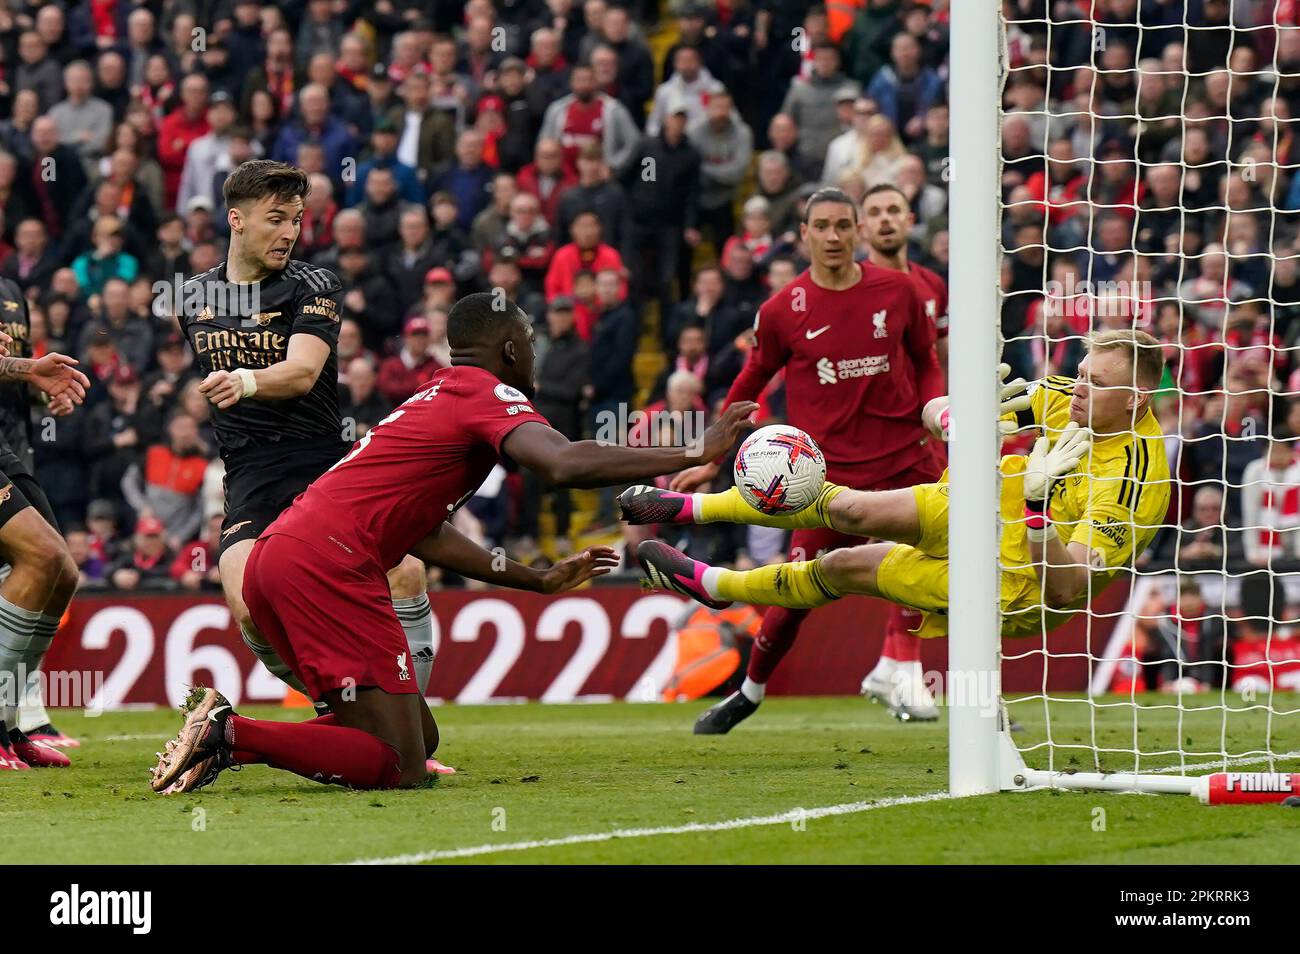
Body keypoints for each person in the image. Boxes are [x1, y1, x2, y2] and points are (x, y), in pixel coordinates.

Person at [149, 292, 757, 794]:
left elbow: (426, 533)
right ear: (512, 348)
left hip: (280, 560)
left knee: (419, 737)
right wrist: (692, 451)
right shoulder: (485, 393)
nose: (534, 360)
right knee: (400, 765)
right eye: (532, 346)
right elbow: (564, 463)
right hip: (324, 567)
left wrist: (535, 578)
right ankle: (231, 735)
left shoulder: (432, 397)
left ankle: (242, 738)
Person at [626, 332, 1173, 698]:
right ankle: (691, 507)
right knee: (850, 506)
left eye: (1097, 384)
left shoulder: (1135, 481)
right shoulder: (1062, 397)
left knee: (842, 567)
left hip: (1021, 580)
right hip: (991, 500)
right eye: (1080, 373)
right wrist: (955, 414)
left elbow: (1067, 587)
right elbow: (933, 412)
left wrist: (1035, 510)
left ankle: (723, 585)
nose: (1078, 388)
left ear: (1137, 401)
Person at [659, 188, 945, 734]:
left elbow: (926, 362)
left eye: (843, 225)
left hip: (906, 463)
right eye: (823, 226)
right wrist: (713, 455)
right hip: (825, 478)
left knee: (928, 569)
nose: (834, 236)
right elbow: (749, 382)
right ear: (805, 234)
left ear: (857, 231)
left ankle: (903, 669)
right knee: (792, 594)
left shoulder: (899, 291)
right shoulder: (781, 310)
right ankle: (749, 691)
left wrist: (935, 405)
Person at [176, 160, 435, 727]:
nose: (290, 231)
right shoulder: (192, 296)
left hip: (323, 466)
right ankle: (340, 711)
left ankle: (410, 721)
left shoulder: (315, 284)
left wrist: (243, 379)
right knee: (248, 605)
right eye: (276, 219)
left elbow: (300, 372)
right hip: (250, 474)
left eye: (296, 219)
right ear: (236, 220)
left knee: (406, 572)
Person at [0, 283, 89, 769]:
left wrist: (35, 382)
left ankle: (12, 724)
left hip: (10, 446)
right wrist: (28, 368)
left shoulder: (12, 291)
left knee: (62, 571)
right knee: (38, 558)